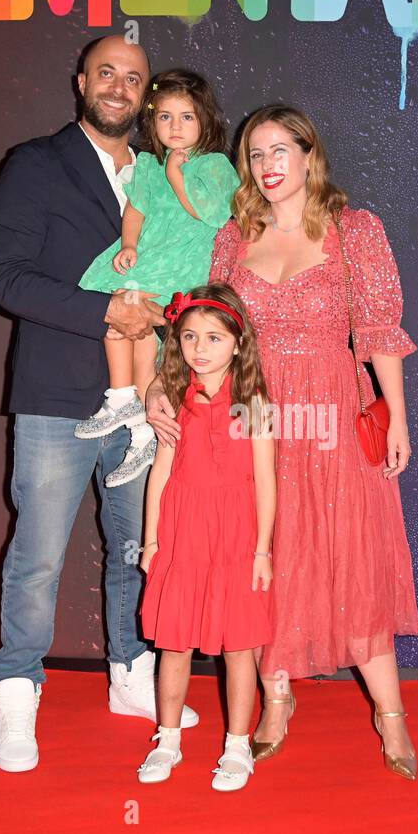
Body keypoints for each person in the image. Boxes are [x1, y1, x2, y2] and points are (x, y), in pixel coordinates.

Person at [146, 105, 418, 779]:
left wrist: (398, 416)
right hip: (256, 424)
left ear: (308, 155)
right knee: (267, 557)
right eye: (256, 155)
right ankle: (275, 700)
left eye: (280, 151)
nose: (268, 166)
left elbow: (380, 331)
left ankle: (391, 717)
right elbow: (204, 322)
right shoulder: (233, 238)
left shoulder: (356, 230)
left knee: (349, 558)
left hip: (331, 417)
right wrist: (162, 384)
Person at [0, 35, 198, 774]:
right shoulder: (35, 164)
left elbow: (183, 263)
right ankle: (16, 687)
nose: (119, 87)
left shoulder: (164, 177)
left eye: (133, 79)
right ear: (81, 82)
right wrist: (106, 312)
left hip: (144, 395)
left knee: (137, 549)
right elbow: (6, 279)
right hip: (56, 396)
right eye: (106, 73)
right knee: (38, 556)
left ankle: (131, 676)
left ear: (145, 95)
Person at [135, 284, 276, 791]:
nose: (200, 347)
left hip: (238, 533)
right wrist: (151, 542)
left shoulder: (254, 401)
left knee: (240, 644)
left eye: (214, 337)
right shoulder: (175, 399)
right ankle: (167, 740)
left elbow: (267, 478)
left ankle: (238, 746)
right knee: (173, 642)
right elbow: (161, 473)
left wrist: (263, 549)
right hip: (184, 530)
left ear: (238, 343)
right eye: (190, 336)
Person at [75, 69, 238, 489]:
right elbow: (136, 211)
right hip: (149, 256)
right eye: (165, 117)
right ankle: (122, 400)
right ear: (152, 121)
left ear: (205, 120)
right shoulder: (148, 165)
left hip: (184, 263)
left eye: (186, 117)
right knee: (117, 316)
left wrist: (178, 177)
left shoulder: (215, 165)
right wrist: (129, 245)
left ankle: (146, 422)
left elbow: (213, 213)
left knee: (144, 322)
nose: (175, 127)